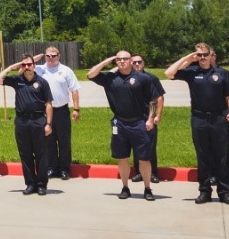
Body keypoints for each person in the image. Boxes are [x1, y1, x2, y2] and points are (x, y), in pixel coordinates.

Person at [165, 43, 229, 205]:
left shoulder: (222, 74)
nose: (203, 58)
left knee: (221, 157)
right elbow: (169, 73)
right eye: (199, 55)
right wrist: (188, 58)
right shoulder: (192, 73)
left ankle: (224, 192)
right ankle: (204, 191)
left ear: (211, 55)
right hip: (199, 119)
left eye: (205, 54)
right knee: (203, 156)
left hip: (219, 119)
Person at [88, 51, 157, 201]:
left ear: (131, 60)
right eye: (118, 59)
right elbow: (91, 75)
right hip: (119, 123)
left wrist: (150, 119)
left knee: (144, 158)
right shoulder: (110, 78)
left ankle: (147, 188)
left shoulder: (143, 78)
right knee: (122, 157)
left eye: (125, 59)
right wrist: (108, 61)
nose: (122, 61)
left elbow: (153, 100)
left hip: (139, 122)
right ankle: (125, 187)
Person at [0, 56, 53, 195]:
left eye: (29, 64)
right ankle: (30, 184)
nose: (27, 67)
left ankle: (41, 184)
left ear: (34, 66)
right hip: (21, 122)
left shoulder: (42, 82)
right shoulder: (17, 81)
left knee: (40, 154)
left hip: (38, 121)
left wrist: (49, 124)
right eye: (24, 64)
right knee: (25, 154)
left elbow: (49, 104)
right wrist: (12, 67)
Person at [34, 47, 80, 179]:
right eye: (48, 56)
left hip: (61, 111)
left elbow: (75, 90)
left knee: (64, 140)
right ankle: (52, 168)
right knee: (48, 140)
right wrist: (33, 59)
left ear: (59, 56)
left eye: (54, 56)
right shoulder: (39, 69)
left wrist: (76, 109)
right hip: (44, 112)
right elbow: (21, 70)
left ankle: (65, 168)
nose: (51, 58)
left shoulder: (66, 71)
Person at [129, 55, 164, 184]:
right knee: (136, 147)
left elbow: (159, 98)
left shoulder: (151, 78)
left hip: (147, 117)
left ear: (143, 64)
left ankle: (153, 173)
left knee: (149, 146)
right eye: (134, 62)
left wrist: (158, 115)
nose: (137, 64)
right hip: (132, 118)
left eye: (139, 62)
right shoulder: (127, 78)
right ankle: (138, 173)